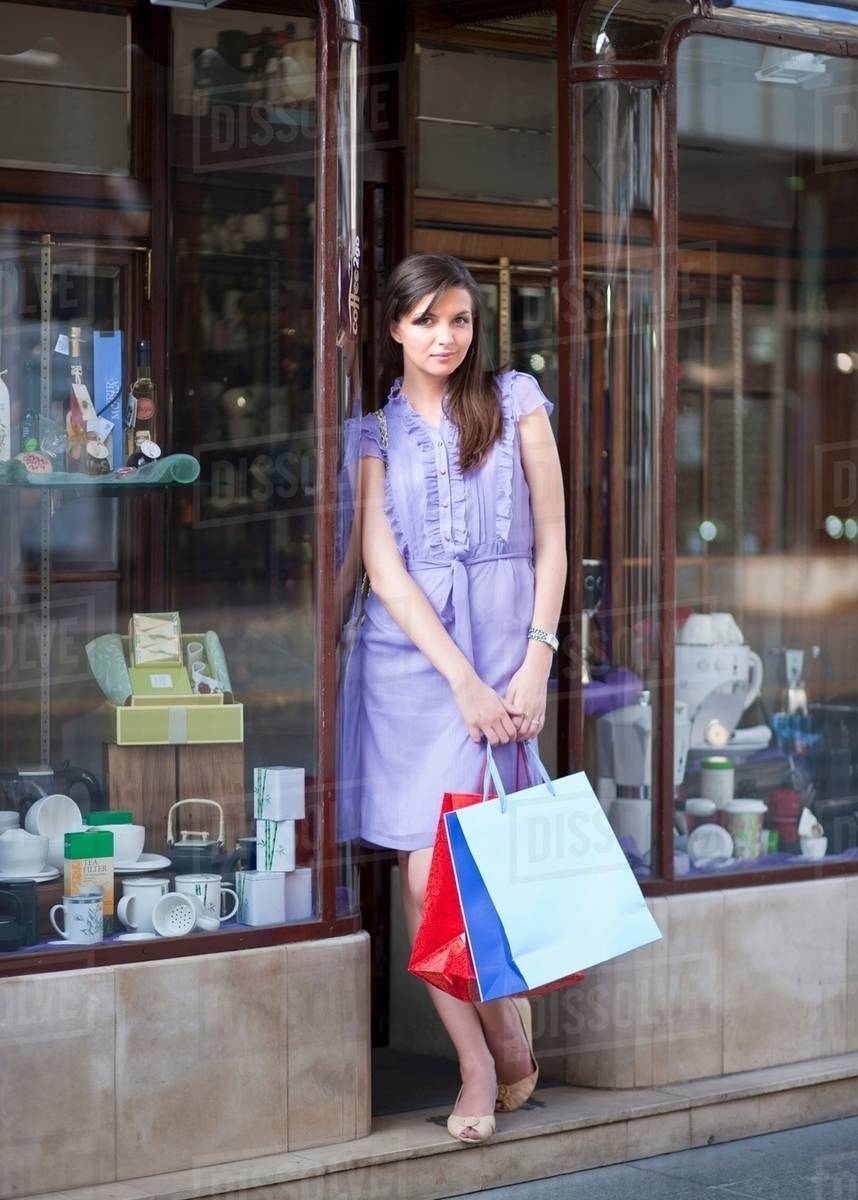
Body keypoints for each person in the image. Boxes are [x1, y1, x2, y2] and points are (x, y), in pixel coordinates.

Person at [358, 253, 567, 1144]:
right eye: (427, 321)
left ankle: (508, 1039)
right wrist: (464, 683)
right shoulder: (370, 434)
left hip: (506, 649)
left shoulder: (516, 402)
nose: (445, 338)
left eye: (461, 321)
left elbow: (555, 538)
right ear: (395, 328)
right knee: (420, 873)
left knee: (480, 862)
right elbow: (385, 572)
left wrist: (535, 664)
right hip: (413, 670)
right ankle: (484, 1060)